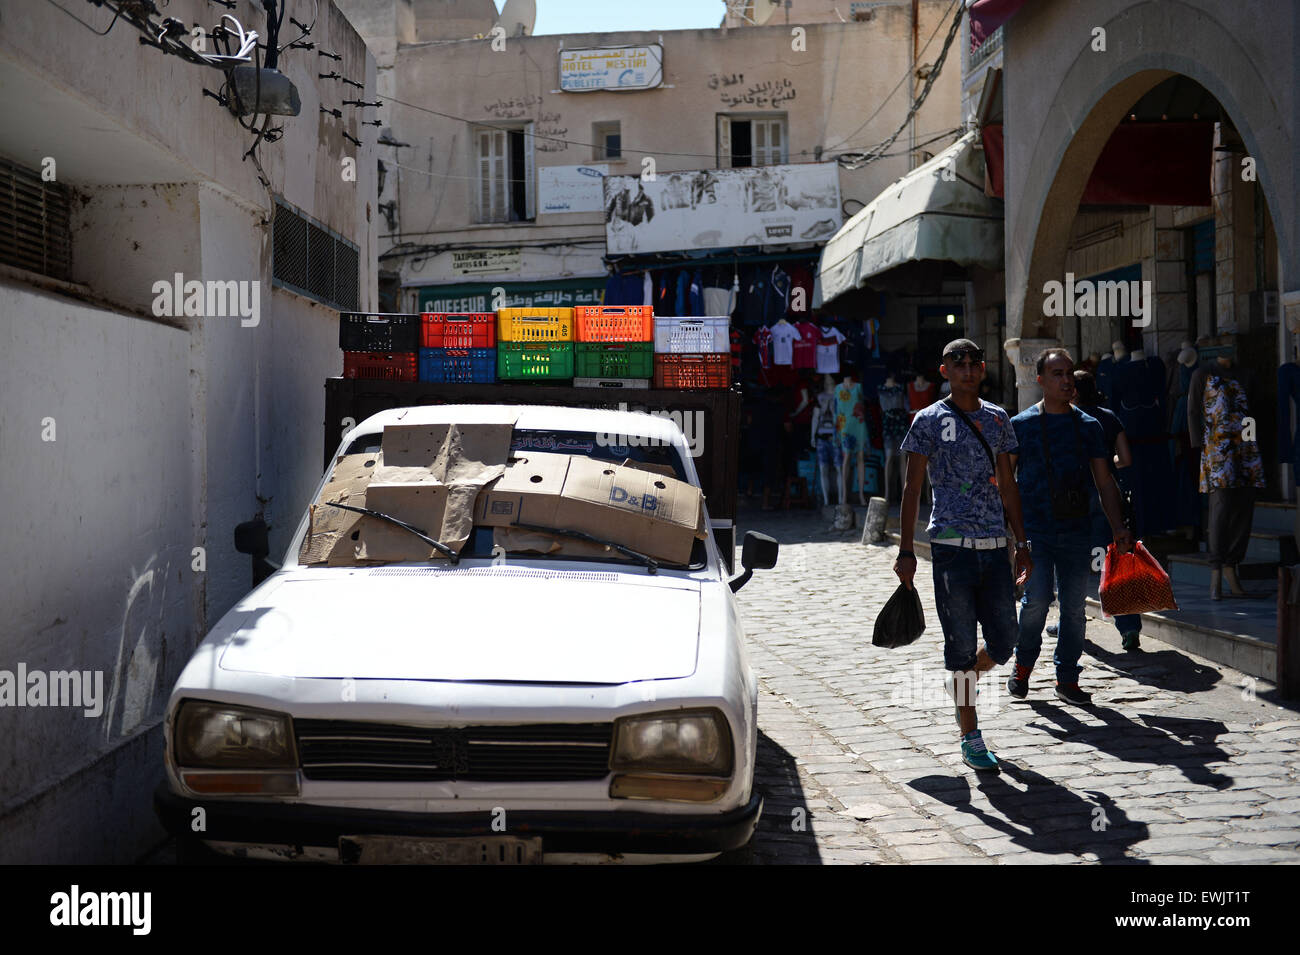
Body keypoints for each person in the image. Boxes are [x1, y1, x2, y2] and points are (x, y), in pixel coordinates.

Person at [895, 339, 1033, 772]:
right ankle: (970, 734)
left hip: (994, 547)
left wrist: (1022, 543)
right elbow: (912, 489)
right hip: (951, 551)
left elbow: (1008, 484)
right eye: (959, 363)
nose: (968, 370)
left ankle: (963, 682)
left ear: (983, 369)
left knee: (1006, 640)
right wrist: (905, 551)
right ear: (945, 370)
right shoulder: (927, 420)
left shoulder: (997, 418)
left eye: (975, 363)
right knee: (959, 644)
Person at [1006, 349, 1134, 707]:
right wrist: (1013, 536)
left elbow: (1104, 481)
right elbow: (1005, 482)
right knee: (1036, 601)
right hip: (1035, 531)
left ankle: (1067, 678)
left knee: (1075, 608)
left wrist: (1118, 526)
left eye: (1069, 373)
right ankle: (1023, 665)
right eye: (1057, 374)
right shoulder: (1021, 425)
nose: (1066, 380)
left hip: (1078, 529)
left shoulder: (1089, 426)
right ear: (1040, 380)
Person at [1073, 370, 1141, 651]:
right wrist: (1107, 464)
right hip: (1109, 496)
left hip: (1076, 498)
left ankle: (1072, 623)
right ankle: (1129, 626)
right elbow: (1126, 458)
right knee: (1113, 563)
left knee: (1073, 564)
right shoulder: (1110, 417)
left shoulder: (1069, 418)